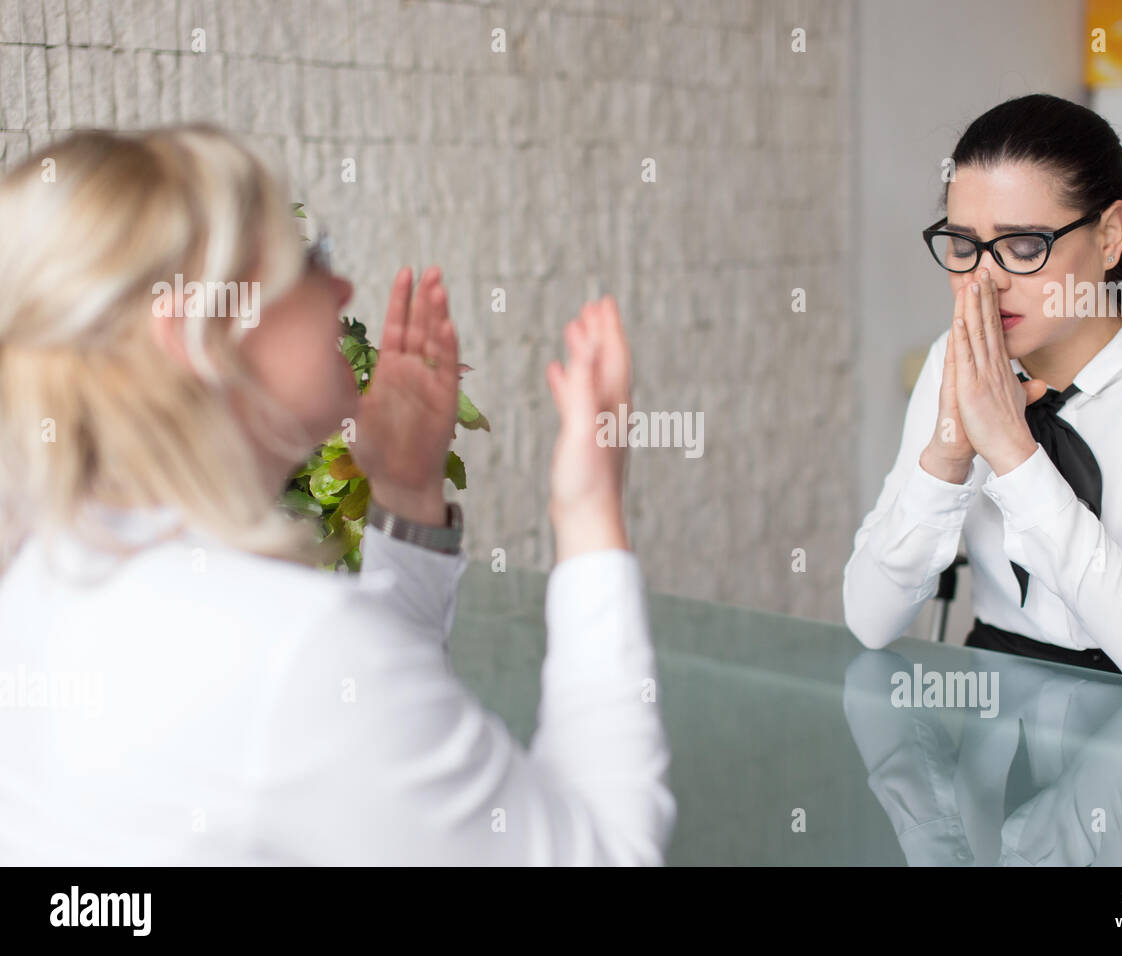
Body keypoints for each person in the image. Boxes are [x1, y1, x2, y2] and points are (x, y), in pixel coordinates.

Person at [0, 125, 674, 864]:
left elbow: (356, 769)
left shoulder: (47, 573)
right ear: (197, 335)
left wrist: (408, 496)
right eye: (308, 258)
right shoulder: (285, 655)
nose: (343, 288)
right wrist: (590, 514)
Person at [843, 94, 1122, 693]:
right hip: (997, 702)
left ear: (1110, 235)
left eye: (1023, 246)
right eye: (963, 245)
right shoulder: (957, 357)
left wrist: (1014, 453)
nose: (982, 279)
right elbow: (868, 621)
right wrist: (948, 458)